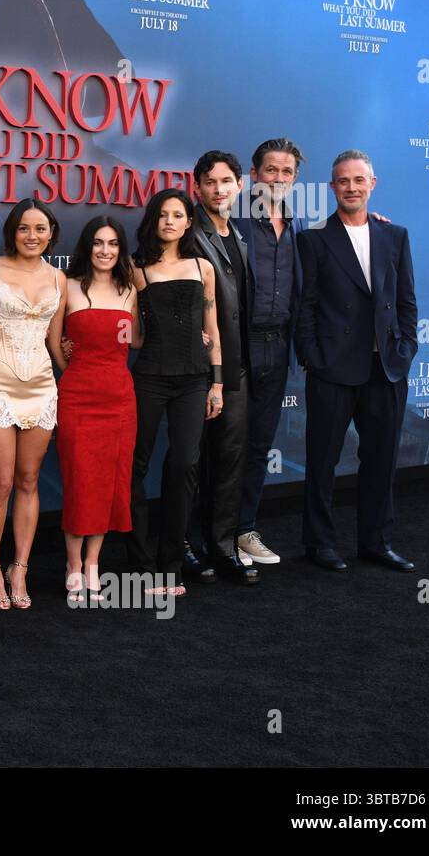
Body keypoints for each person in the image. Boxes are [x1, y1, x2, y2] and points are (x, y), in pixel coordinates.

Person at [295, 150, 417, 573]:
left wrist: (406, 348)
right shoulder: (312, 240)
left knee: (381, 461)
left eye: (358, 180)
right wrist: (311, 356)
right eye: (343, 181)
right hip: (332, 369)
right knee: (322, 461)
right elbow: (305, 305)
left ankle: (376, 542)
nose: (351, 187)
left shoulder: (394, 235)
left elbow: (406, 301)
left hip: (385, 370)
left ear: (372, 183)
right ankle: (319, 543)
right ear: (333, 187)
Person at [129, 188, 224, 597]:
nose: (170, 221)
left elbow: (214, 327)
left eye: (178, 214)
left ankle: (170, 565)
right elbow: (133, 335)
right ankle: (141, 564)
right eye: (163, 214)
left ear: (189, 222)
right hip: (149, 374)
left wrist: (217, 382)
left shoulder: (204, 266)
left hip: (193, 380)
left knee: (184, 464)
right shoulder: (137, 269)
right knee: (136, 467)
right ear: (154, 220)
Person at [0, 199, 65, 610]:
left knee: (29, 480)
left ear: (51, 233)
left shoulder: (59, 279)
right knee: (2, 483)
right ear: (12, 231)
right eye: (24, 228)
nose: (32, 235)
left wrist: (76, 376)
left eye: (40, 228)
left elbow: (56, 342)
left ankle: (20, 568)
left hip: (42, 385)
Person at [230, 138, 307, 567]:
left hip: (278, 350)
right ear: (254, 175)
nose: (279, 178)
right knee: (224, 446)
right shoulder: (231, 223)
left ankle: (244, 530)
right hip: (237, 349)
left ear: (295, 179)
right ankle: (213, 535)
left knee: (259, 446)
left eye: (287, 172)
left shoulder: (299, 226)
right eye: (271, 170)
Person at [55, 216, 139, 603]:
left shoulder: (131, 289)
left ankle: (93, 564)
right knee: (80, 480)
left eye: (113, 244)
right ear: (87, 247)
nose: (105, 251)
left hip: (120, 399)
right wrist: (73, 367)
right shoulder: (67, 286)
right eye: (98, 243)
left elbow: (136, 341)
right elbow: (55, 343)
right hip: (77, 396)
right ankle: (73, 565)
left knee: (108, 484)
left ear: (121, 250)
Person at [187, 151, 259, 585]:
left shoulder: (241, 235)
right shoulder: (185, 230)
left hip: (237, 370)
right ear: (197, 186)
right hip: (195, 371)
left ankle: (223, 545)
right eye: (210, 182)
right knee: (188, 463)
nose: (218, 189)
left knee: (229, 462)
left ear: (239, 186)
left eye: (226, 181)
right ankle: (184, 547)